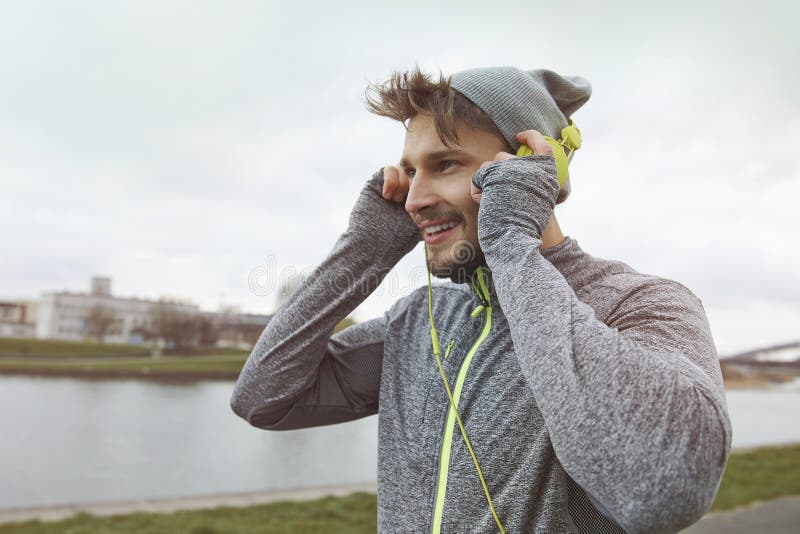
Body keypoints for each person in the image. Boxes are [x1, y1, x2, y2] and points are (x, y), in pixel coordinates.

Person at [230, 65, 732, 533]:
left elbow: (667, 488)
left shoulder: (641, 303)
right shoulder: (419, 318)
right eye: (410, 171)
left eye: (444, 164)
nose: (413, 198)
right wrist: (362, 254)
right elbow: (263, 401)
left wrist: (512, 241)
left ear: (533, 169)